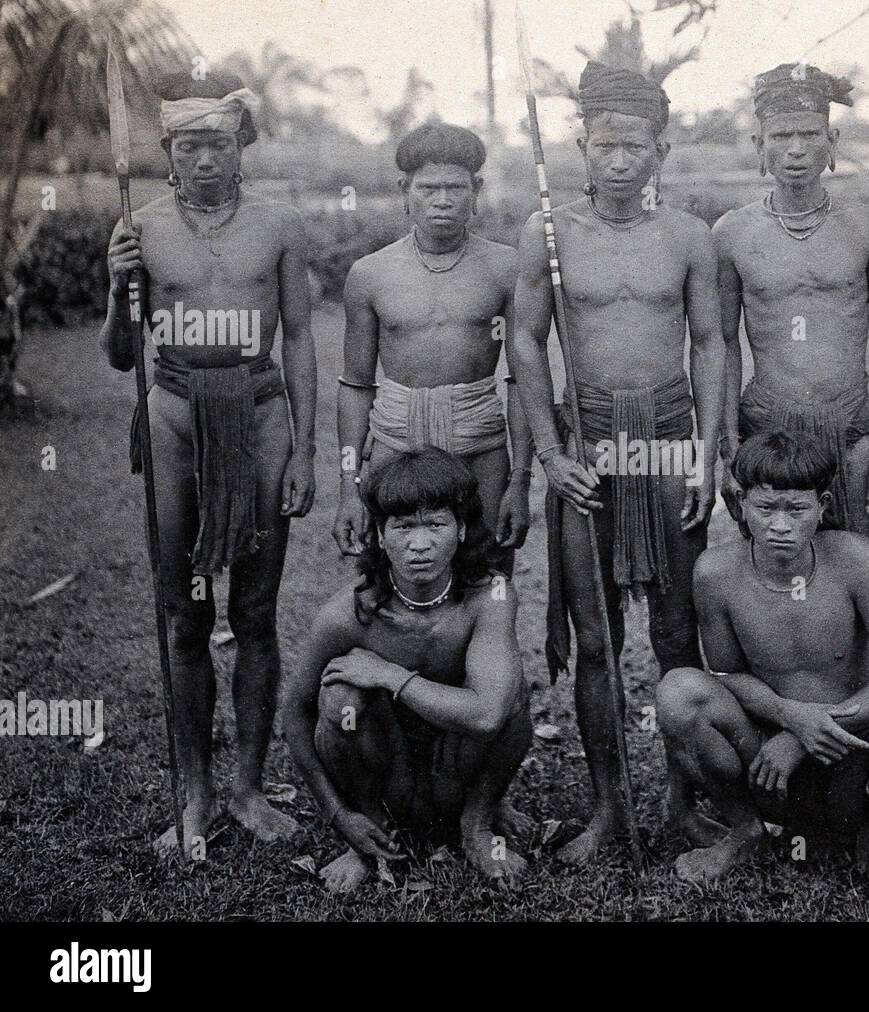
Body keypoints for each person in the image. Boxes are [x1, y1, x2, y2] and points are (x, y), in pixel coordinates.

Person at [509, 61, 726, 862]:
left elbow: (710, 343)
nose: (622, 160)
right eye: (606, 145)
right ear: (582, 145)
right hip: (589, 441)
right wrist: (551, 451)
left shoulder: (688, 236)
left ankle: (683, 802)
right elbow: (526, 343)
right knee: (596, 636)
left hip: (668, 435)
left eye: (637, 145)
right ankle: (608, 809)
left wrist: (707, 450)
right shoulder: (550, 233)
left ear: (661, 149)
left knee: (677, 632)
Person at [100, 71, 318, 857]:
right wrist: (117, 283)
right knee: (183, 615)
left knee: (255, 612)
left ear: (241, 147)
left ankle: (250, 788)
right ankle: (193, 794)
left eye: (216, 143)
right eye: (187, 145)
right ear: (167, 152)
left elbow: (298, 337)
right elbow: (121, 351)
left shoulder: (280, 225)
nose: (202, 159)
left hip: (258, 413)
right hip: (173, 414)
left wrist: (306, 447)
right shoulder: (141, 230)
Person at [656, 431, 869, 902]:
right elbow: (727, 678)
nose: (780, 526)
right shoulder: (714, 572)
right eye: (765, 508)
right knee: (679, 692)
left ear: (823, 504)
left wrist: (807, 732)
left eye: (796, 509)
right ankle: (745, 831)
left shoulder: (853, 557)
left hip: (851, 765)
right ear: (740, 501)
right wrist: (789, 719)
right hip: (769, 772)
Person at [284, 450, 532, 891]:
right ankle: (372, 834)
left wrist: (391, 676)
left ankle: (476, 826)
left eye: (435, 524)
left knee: (510, 693)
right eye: (402, 527)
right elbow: (295, 714)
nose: (420, 544)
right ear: (379, 535)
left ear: (460, 529)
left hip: (457, 771)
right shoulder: (349, 613)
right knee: (341, 700)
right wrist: (340, 815)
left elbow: (488, 716)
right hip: (387, 774)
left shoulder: (489, 597)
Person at [715, 63, 869, 538]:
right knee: (772, 572)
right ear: (760, 146)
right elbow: (720, 346)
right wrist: (728, 448)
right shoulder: (732, 234)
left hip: (850, 429)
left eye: (809, 134)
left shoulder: (868, 228)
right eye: (781, 136)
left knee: (859, 569)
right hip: (765, 433)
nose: (796, 150)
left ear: (832, 142)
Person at [332, 123, 530, 566]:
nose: (442, 199)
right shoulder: (370, 274)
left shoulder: (506, 268)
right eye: (428, 187)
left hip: (479, 437)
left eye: (455, 187)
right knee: (387, 573)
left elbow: (522, 380)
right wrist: (349, 484)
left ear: (476, 189)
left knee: (487, 568)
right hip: (395, 436)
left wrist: (520, 480)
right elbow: (356, 384)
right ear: (405, 189)